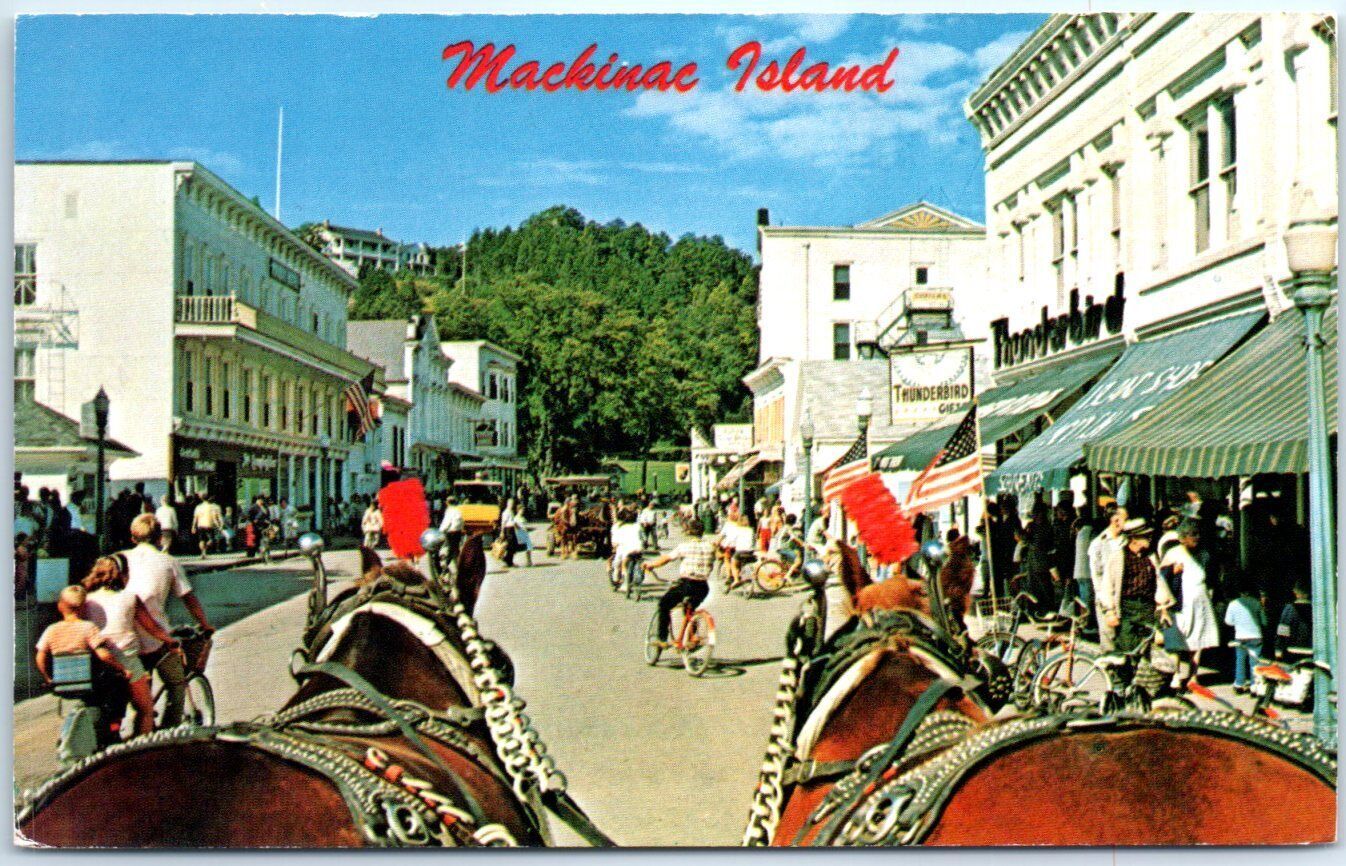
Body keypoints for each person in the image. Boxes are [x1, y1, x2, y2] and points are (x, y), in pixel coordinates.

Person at [124, 514, 215, 728]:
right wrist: (204, 624)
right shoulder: (168, 561)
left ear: (132, 538)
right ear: (159, 538)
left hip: (122, 636)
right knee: (176, 683)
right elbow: (188, 598)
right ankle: (168, 732)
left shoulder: (120, 558)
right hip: (156, 638)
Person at [34, 585, 138, 754]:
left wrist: (48, 678)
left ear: (60, 605)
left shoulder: (51, 629)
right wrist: (123, 669)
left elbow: (40, 657)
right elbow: (103, 655)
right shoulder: (88, 627)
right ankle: (113, 731)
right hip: (89, 684)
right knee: (118, 689)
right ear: (83, 607)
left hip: (62, 685)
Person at [83, 554, 170, 737]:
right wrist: (171, 640)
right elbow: (152, 627)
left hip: (98, 661)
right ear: (123, 575)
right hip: (127, 660)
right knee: (145, 708)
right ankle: (142, 749)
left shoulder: (87, 600)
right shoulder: (130, 598)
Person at [1099, 518, 1174, 656]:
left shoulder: (1150, 556)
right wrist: (1110, 611)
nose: (1150, 538)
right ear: (1133, 538)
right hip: (1127, 608)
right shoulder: (1118, 557)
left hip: (1147, 607)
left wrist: (1163, 608)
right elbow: (1107, 586)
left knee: (1149, 648)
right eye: (1146, 536)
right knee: (1127, 649)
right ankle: (1122, 676)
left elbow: (1159, 583)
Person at [1161, 520, 1220, 689]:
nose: (1196, 538)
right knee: (1177, 640)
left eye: (1197, 534)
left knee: (1198, 640)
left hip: (1201, 603)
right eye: (1192, 535)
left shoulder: (1204, 555)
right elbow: (1161, 577)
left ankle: (1193, 676)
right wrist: (1172, 571)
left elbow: (1210, 578)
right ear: (1182, 538)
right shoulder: (1173, 553)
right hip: (1180, 603)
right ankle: (1175, 675)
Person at [642, 521, 717, 647]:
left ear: (688, 532)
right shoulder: (710, 547)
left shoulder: (684, 546)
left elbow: (667, 558)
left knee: (664, 604)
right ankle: (692, 637)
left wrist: (651, 564)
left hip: (688, 584)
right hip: (703, 586)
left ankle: (662, 639)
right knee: (689, 608)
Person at [1087, 504, 1128, 651]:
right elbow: (1096, 577)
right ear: (1116, 520)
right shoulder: (1098, 544)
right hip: (1107, 601)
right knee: (1109, 642)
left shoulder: (1128, 541)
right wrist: (1106, 605)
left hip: (1127, 599)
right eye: (1126, 519)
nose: (1127, 523)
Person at [1224, 576, 1267, 694]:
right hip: (1256, 636)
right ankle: (1255, 685)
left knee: (1240, 660)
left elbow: (1228, 621)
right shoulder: (1257, 603)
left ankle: (1239, 683)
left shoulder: (1233, 604)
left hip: (1240, 636)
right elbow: (1264, 621)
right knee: (1255, 661)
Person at [1275, 583, 1313, 659]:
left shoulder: (1290, 609)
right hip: (1312, 651)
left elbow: (1283, 630)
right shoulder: (1317, 610)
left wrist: (1278, 649)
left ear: (1295, 592)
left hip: (1292, 650)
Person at [611, 507, 643, 590]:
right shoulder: (637, 526)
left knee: (620, 564)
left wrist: (615, 545)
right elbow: (642, 537)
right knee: (637, 561)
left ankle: (623, 583)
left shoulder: (622, 527)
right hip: (638, 548)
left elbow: (616, 542)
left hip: (626, 549)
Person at [192, 493, 222, 558]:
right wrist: (218, 526)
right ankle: (205, 550)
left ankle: (203, 552)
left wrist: (193, 526)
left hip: (200, 525)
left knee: (201, 540)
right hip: (209, 524)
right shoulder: (211, 507)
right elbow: (214, 517)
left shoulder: (198, 507)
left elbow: (195, 517)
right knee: (211, 540)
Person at [439, 497, 465, 563]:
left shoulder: (449, 510)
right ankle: (459, 564)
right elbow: (462, 521)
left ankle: (446, 564)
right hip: (458, 532)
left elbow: (447, 521)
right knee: (455, 549)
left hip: (451, 532)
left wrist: (441, 530)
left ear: (447, 502)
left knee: (452, 549)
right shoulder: (458, 510)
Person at [499, 499, 521, 568]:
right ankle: (507, 560)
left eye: (512, 503)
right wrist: (502, 532)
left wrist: (517, 527)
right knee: (510, 546)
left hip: (511, 529)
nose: (512, 505)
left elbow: (513, 521)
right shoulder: (506, 512)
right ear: (507, 504)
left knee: (513, 546)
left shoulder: (511, 511)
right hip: (508, 530)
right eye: (510, 503)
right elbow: (503, 523)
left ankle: (509, 561)